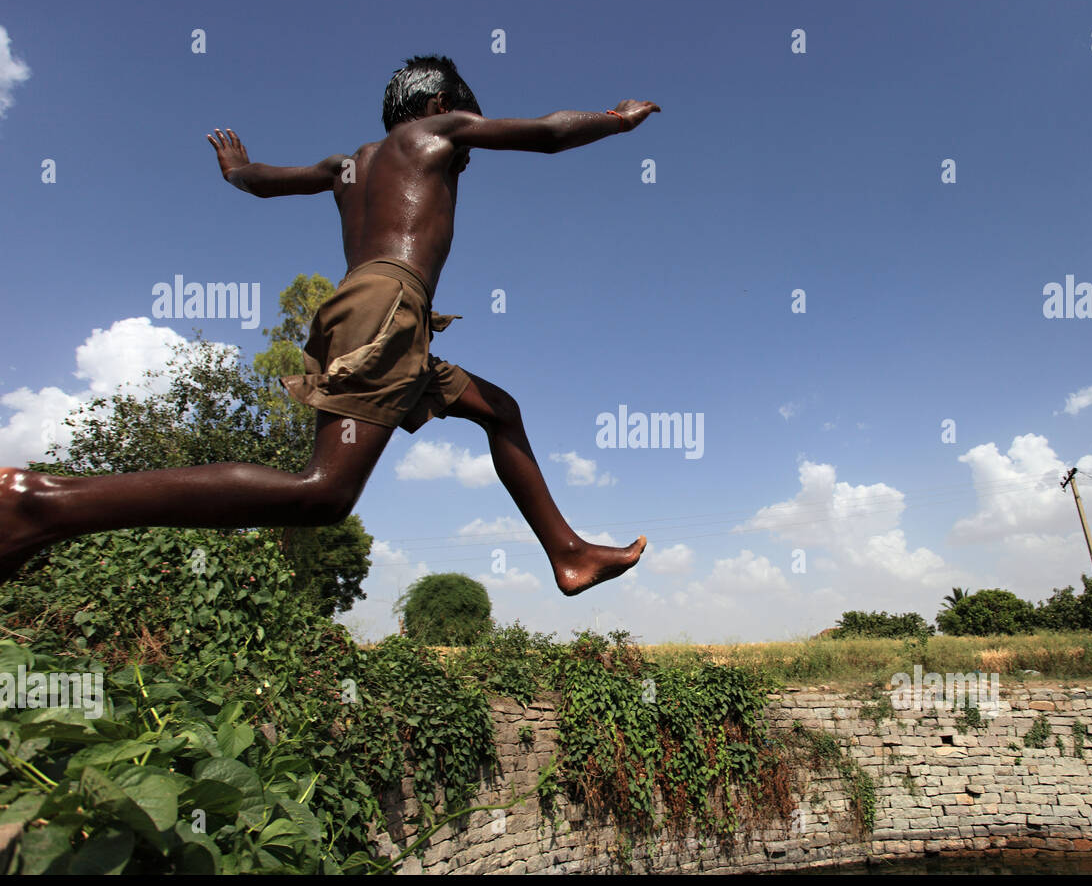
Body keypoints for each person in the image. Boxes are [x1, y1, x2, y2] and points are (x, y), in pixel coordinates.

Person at [0, 54, 659, 596]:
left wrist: (237, 171)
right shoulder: (438, 131)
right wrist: (615, 120)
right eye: (468, 119)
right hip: (387, 309)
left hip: (374, 310)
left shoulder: (348, 166)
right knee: (323, 493)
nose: (472, 140)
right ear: (438, 106)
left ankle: (568, 553)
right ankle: (44, 503)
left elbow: (261, 182)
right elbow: (547, 133)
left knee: (499, 409)